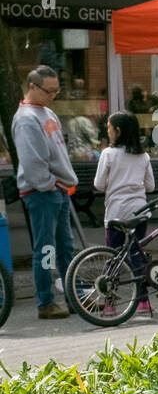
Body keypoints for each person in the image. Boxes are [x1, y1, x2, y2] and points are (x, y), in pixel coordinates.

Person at [12, 65, 75, 318]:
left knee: (64, 247)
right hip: (42, 192)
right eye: (48, 91)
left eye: (55, 91)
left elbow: (57, 152)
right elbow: (32, 161)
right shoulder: (26, 119)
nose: (52, 95)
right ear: (32, 86)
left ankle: (74, 297)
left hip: (55, 189)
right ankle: (45, 301)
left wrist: (61, 183)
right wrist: (50, 183)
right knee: (47, 249)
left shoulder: (47, 112)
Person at [93, 112, 155, 316]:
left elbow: (99, 184)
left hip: (116, 213)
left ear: (117, 131)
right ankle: (143, 301)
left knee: (114, 256)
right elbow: (151, 185)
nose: (107, 131)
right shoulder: (144, 156)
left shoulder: (108, 155)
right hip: (139, 211)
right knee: (137, 253)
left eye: (109, 127)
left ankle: (110, 304)